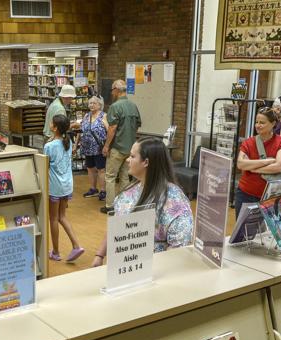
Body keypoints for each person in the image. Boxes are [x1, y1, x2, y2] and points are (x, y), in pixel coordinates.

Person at [91, 140, 193, 267]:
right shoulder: (130, 191)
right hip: (122, 268)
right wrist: (99, 255)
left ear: (146, 162)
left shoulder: (175, 202)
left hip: (152, 272)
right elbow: (116, 226)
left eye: (132, 156)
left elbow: (178, 248)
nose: (127, 160)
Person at [234, 107, 281, 217]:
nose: (258, 125)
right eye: (256, 122)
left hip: (271, 197)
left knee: (267, 232)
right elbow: (240, 164)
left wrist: (252, 168)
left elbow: (279, 166)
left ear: (273, 123)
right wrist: (267, 161)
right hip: (245, 194)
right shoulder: (248, 142)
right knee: (242, 230)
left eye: (262, 123)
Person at [44, 114, 84, 263]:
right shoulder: (67, 141)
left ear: (54, 128)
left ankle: (55, 252)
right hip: (67, 185)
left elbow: (45, 165)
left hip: (55, 186)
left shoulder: (49, 146)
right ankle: (76, 245)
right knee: (62, 216)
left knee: (53, 218)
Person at [101, 80, 141, 214]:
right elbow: (137, 126)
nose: (112, 93)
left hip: (117, 148)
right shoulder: (133, 106)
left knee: (110, 177)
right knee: (125, 177)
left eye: (112, 90)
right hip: (130, 149)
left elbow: (112, 128)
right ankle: (124, 204)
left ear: (117, 90)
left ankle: (110, 206)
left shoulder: (115, 106)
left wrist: (106, 146)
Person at [75, 96, 108, 201]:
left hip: (99, 148)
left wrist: (107, 146)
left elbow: (109, 131)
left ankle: (103, 190)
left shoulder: (104, 116)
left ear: (100, 105)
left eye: (94, 103)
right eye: (90, 103)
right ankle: (93, 189)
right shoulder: (86, 116)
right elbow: (80, 131)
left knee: (101, 169)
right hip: (87, 147)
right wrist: (75, 145)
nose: (91, 105)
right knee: (90, 168)